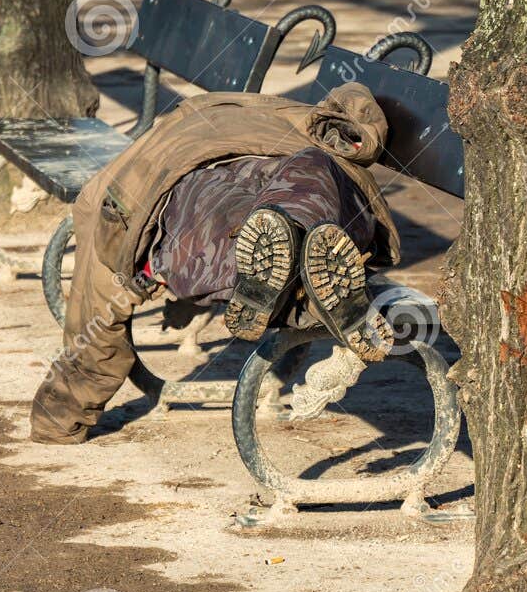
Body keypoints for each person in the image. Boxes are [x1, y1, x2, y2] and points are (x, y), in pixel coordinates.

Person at [31, 82, 403, 446]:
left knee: (254, 207)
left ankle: (285, 273)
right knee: (293, 190)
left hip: (201, 198)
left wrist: (61, 413)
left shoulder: (218, 121)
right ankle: (297, 278)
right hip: (225, 187)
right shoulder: (298, 135)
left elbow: (94, 297)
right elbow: (356, 116)